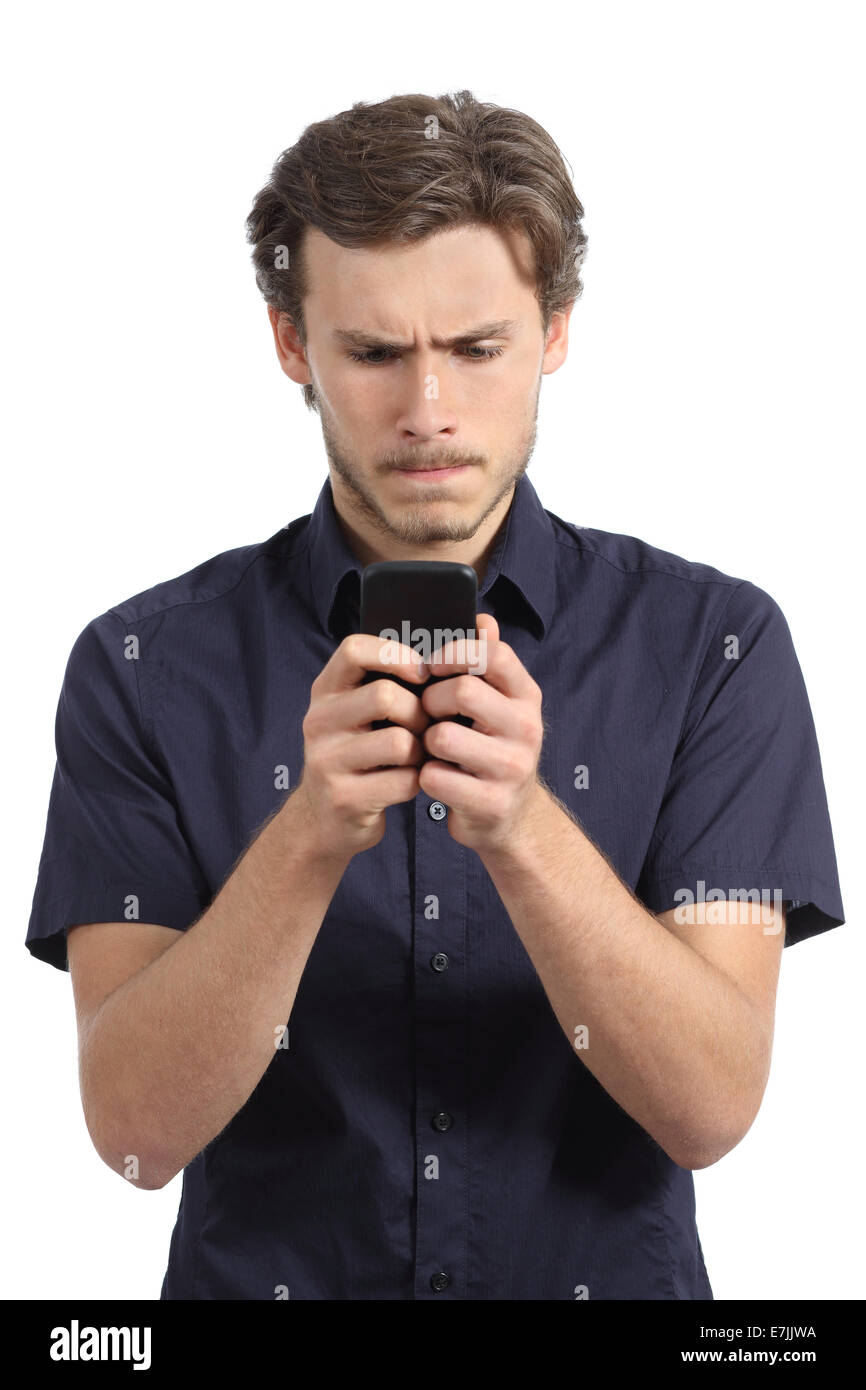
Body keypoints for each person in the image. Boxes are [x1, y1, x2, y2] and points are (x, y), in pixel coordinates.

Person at [26, 90, 844, 1301]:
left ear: (554, 329)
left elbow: (709, 1109)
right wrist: (307, 837)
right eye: (371, 352)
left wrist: (521, 829)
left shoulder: (713, 648)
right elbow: (137, 1134)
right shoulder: (145, 667)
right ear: (292, 344)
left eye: (475, 347)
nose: (427, 412)